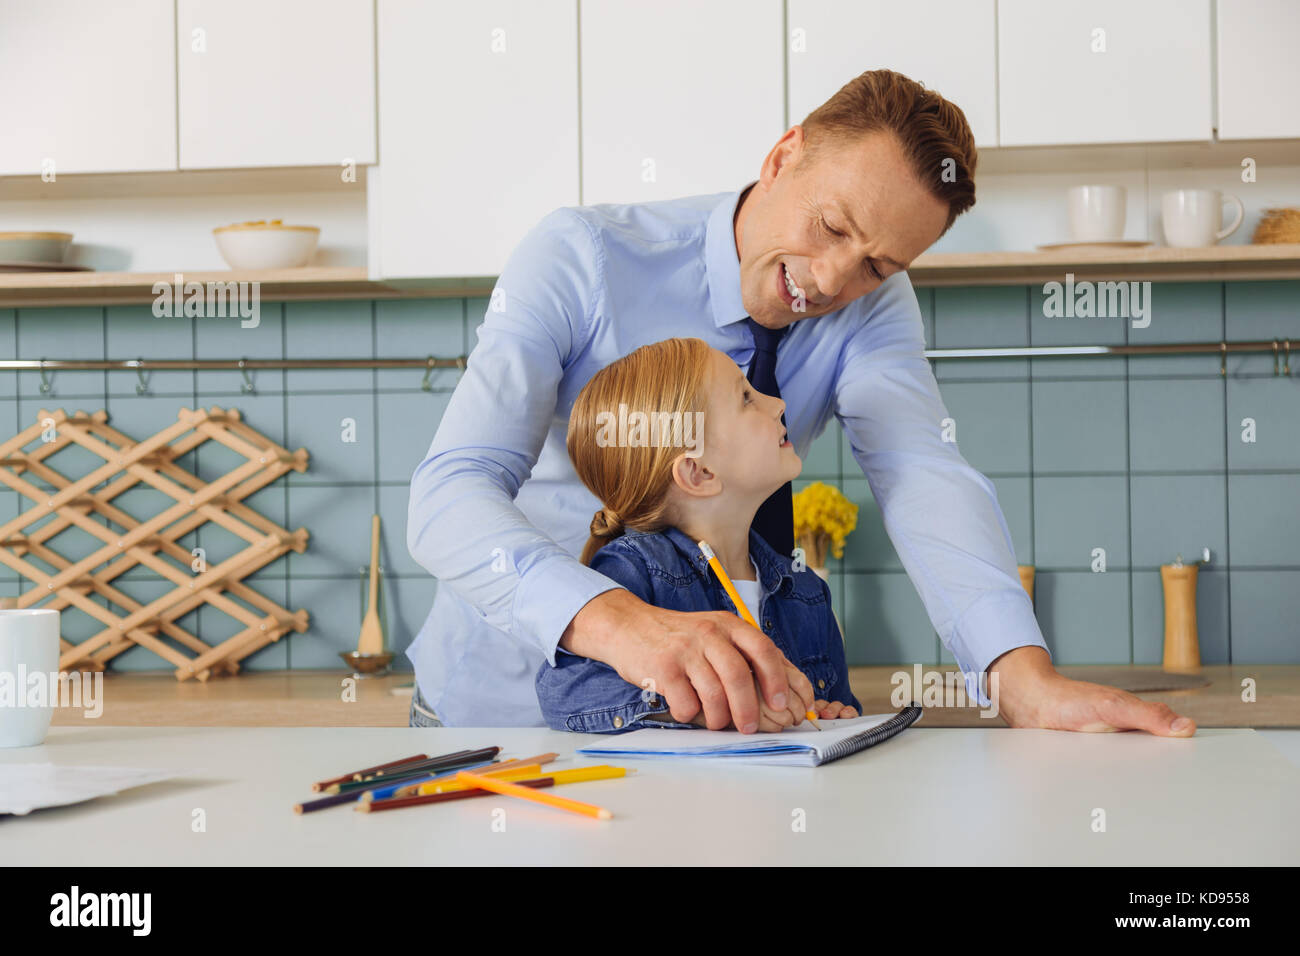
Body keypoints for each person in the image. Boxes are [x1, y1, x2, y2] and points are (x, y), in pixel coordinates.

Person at [406, 69, 1196, 738]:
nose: (830, 281)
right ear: (785, 155)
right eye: (829, 226)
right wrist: (618, 622)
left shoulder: (872, 309)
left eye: (875, 264)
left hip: (712, 742)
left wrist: (1019, 675)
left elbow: (922, 471)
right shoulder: (582, 254)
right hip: (497, 721)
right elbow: (450, 493)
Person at [535, 337, 860, 732]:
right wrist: (689, 703)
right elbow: (561, 691)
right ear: (699, 473)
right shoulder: (637, 571)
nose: (777, 404)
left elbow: (838, 713)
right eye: (745, 398)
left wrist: (832, 716)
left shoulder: (807, 591)